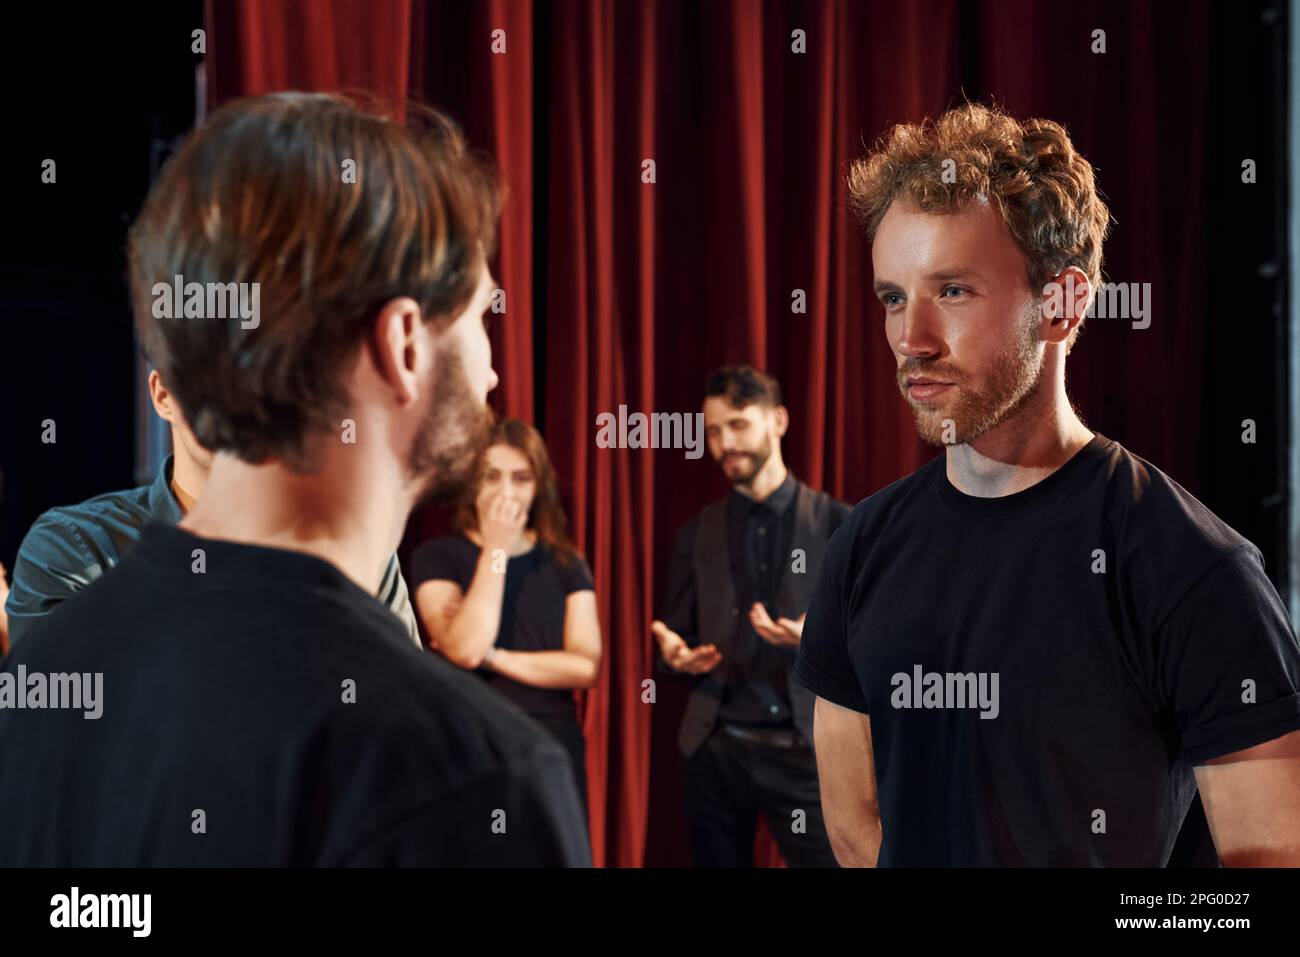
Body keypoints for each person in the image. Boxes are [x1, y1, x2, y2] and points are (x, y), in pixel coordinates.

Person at [0, 92, 589, 866]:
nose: (492, 368)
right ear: (404, 342)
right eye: (482, 316)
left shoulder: (42, 679)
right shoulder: (477, 781)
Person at [796, 102, 1300, 866]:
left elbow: (1268, 861)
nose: (912, 339)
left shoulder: (1191, 566)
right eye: (894, 297)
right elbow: (854, 829)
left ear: (1063, 304)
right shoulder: (860, 548)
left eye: (953, 291)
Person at [3, 370, 420, 648]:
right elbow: (74, 740)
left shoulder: (355, 547)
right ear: (163, 395)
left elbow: (401, 727)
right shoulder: (79, 547)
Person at [653, 366, 849, 867]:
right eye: (713, 431)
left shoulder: (838, 525)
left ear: (778, 421)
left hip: (805, 749)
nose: (724, 443)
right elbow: (678, 640)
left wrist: (816, 636)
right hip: (715, 748)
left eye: (738, 424)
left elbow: (878, 644)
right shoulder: (696, 534)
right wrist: (677, 656)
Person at [412, 418, 601, 824]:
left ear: (538, 487)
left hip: (551, 742)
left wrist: (495, 657)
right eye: (491, 477)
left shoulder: (567, 563)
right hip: (472, 737)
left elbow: (585, 666)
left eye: (521, 479)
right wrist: (495, 550)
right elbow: (464, 648)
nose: (506, 492)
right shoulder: (438, 556)